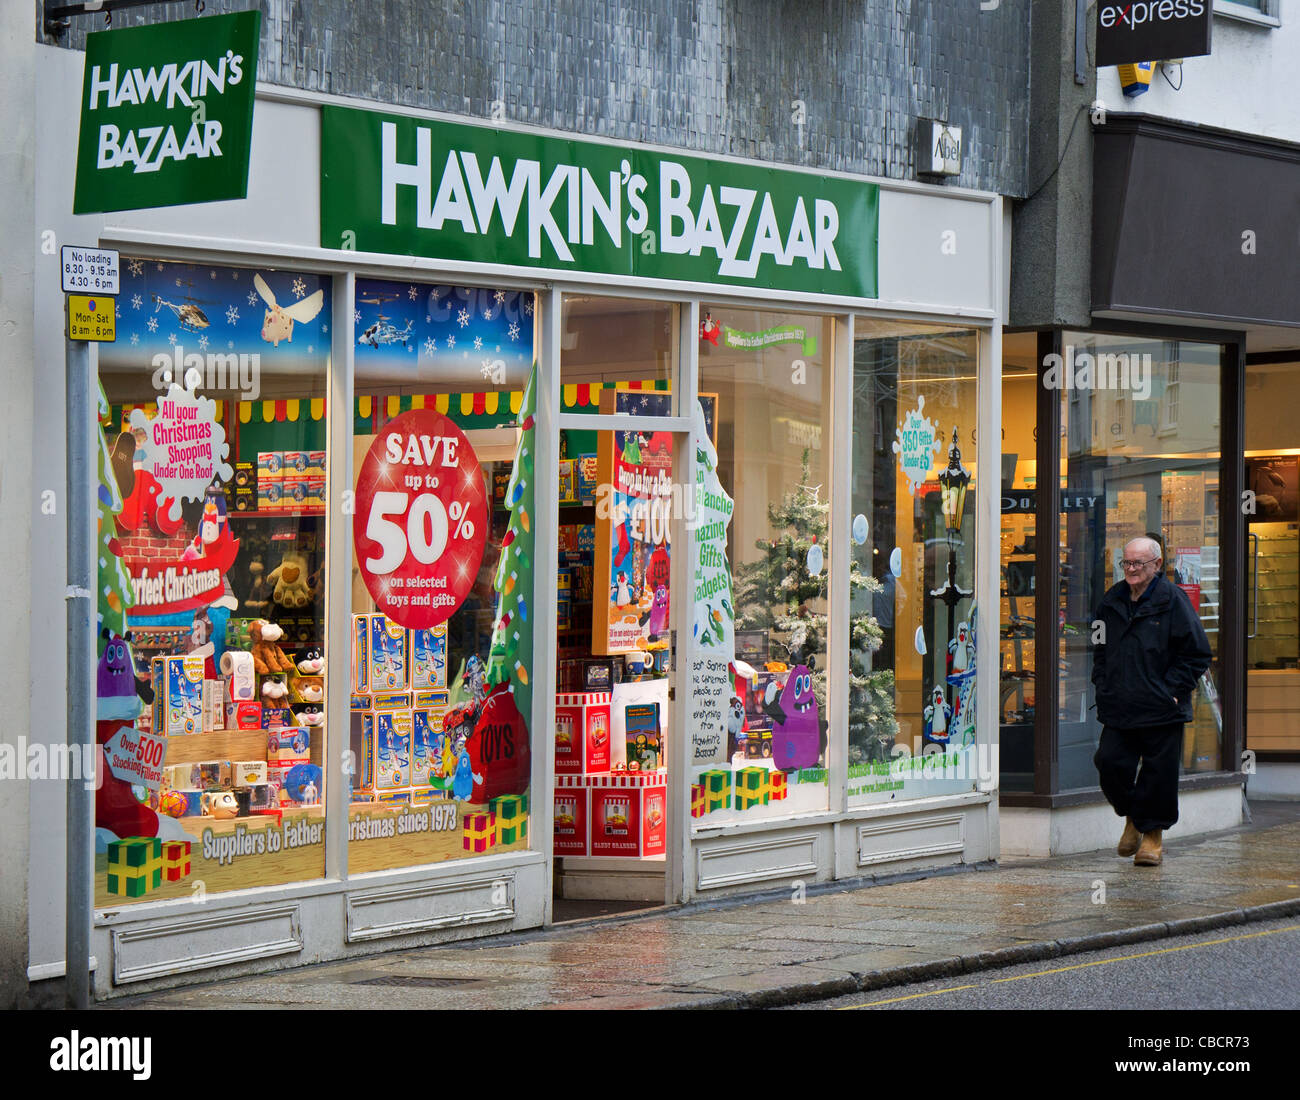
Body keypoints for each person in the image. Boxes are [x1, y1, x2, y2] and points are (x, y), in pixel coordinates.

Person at [1091, 535, 1212, 866]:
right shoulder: (1110, 601)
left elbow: (1197, 652)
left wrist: (1172, 690)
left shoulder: (1173, 601)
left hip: (1162, 707)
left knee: (1159, 774)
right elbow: (1098, 646)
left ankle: (1152, 839)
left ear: (1157, 565)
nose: (1130, 569)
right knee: (1110, 763)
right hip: (1119, 705)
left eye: (1138, 564)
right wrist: (1102, 683)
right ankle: (1132, 816)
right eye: (1126, 563)